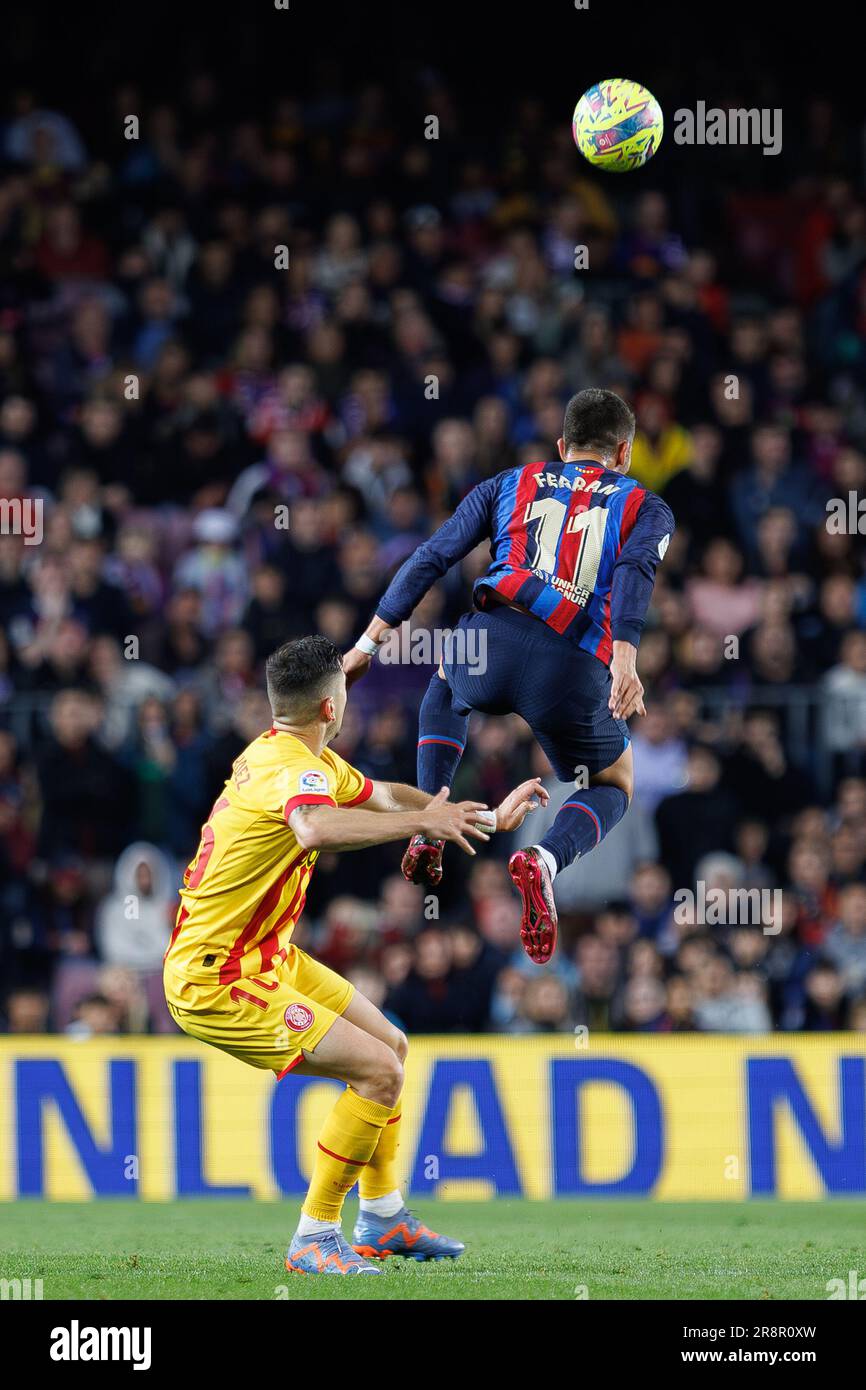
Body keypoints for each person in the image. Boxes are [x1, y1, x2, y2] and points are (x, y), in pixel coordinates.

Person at [163, 634, 545, 1276]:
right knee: (378, 1074)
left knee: (391, 1049)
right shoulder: (294, 773)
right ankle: (314, 1235)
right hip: (217, 978)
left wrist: (478, 819)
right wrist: (423, 827)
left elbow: (387, 796)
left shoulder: (296, 755)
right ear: (330, 708)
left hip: (264, 956)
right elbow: (314, 826)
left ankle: (384, 1216)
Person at [345, 388, 675, 964]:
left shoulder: (508, 483)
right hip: (569, 664)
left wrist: (368, 643)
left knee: (444, 691)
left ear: (560, 446)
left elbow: (432, 555)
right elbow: (634, 568)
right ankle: (544, 860)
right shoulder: (645, 505)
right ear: (624, 453)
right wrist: (626, 654)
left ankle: (430, 816)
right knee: (613, 785)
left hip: (490, 636)